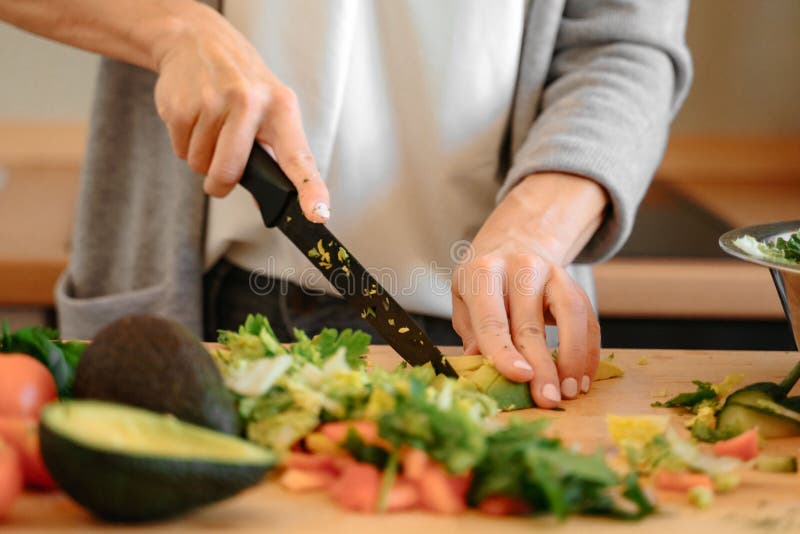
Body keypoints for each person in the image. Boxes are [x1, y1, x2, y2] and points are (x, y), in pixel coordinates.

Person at [0, 0, 691, 408]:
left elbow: (624, 46)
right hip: (197, 305)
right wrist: (174, 26)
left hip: (488, 330)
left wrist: (536, 229)